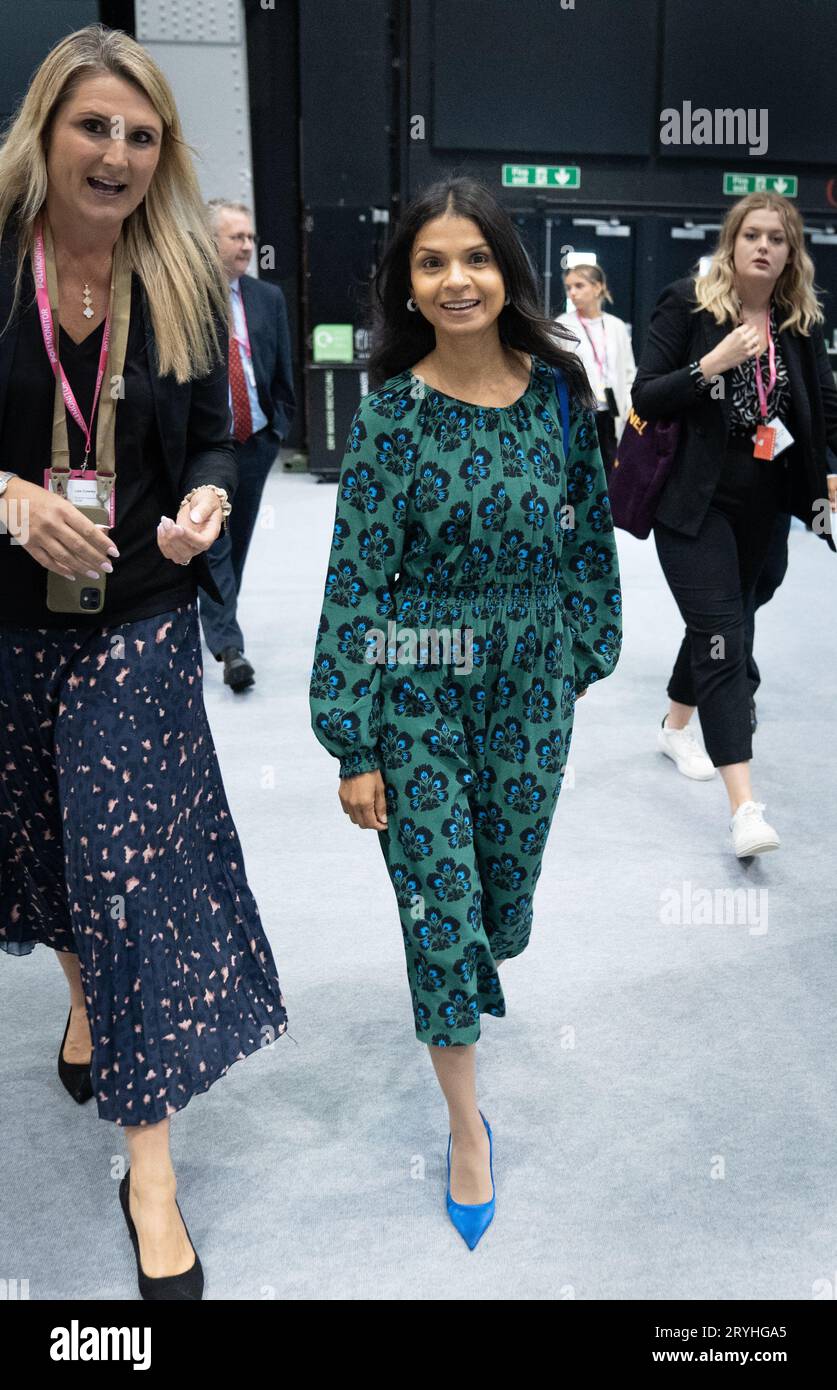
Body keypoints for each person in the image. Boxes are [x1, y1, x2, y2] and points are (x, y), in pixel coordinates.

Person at [0, 25, 288, 1300]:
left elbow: (221, 442)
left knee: (124, 875)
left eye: (141, 133)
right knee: (49, 853)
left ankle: (152, 1177)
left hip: (143, 620)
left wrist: (209, 506)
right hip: (12, 621)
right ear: (46, 132)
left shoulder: (180, 275)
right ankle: (78, 1001)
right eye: (93, 127)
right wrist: (10, 495)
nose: (115, 154)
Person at [308, 176, 622, 1249]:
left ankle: (472, 995)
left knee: (503, 903)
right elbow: (355, 580)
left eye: (475, 259)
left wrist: (581, 647)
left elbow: (588, 536)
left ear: (508, 272)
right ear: (406, 280)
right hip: (419, 672)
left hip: (533, 677)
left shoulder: (561, 396)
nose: (455, 280)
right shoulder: (391, 415)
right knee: (444, 912)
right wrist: (354, 736)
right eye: (431, 261)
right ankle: (465, 1127)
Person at [631, 192, 837, 857]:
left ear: (790, 251)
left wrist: (827, 470)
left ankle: (674, 723)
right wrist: (711, 363)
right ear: (730, 242)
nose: (762, 247)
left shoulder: (797, 319)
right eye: (751, 234)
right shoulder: (688, 303)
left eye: (776, 238)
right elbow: (646, 393)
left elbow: (822, 404)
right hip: (693, 504)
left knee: (735, 615)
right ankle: (744, 808)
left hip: (766, 506)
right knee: (724, 637)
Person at [197, 198, 295, 691]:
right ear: (209, 241)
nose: (248, 246)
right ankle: (229, 648)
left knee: (236, 543)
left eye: (251, 238)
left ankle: (216, 614)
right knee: (215, 540)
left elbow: (281, 369)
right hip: (208, 445)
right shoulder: (188, 296)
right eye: (236, 237)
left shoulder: (267, 298)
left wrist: (278, 426)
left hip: (256, 440)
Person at [556, 262, 636, 474]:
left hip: (612, 412)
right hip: (580, 412)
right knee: (579, 470)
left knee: (610, 471)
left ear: (598, 287)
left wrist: (627, 405)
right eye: (569, 287)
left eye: (579, 286)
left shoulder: (616, 326)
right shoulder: (562, 325)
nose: (572, 293)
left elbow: (629, 372)